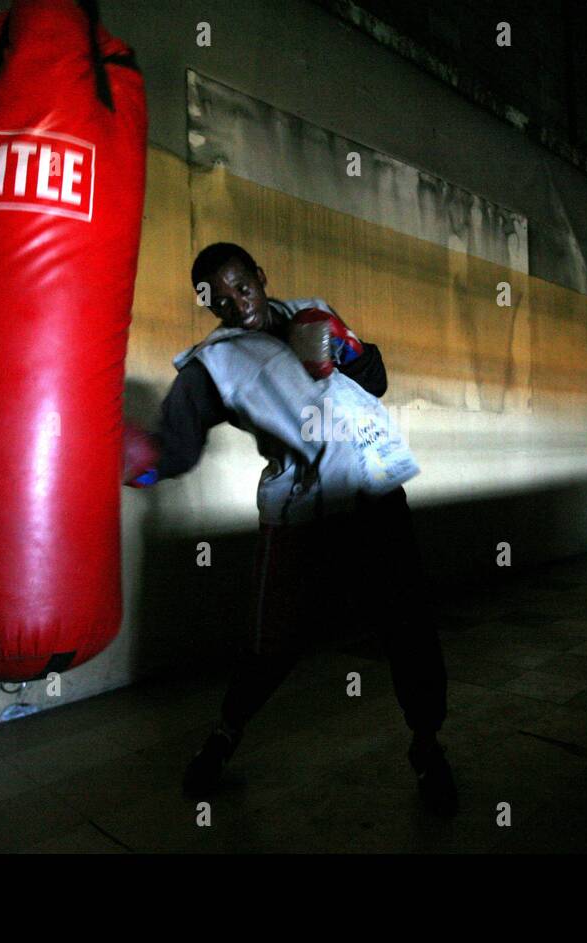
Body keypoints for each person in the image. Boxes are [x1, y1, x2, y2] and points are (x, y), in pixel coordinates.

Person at [123, 242, 456, 816]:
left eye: (243, 288)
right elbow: (175, 450)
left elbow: (374, 380)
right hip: (299, 510)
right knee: (272, 642)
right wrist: (134, 461)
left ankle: (427, 748)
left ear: (261, 276)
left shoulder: (311, 311)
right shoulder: (215, 362)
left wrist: (346, 346)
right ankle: (225, 735)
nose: (238, 307)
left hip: (374, 490)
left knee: (410, 627)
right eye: (221, 302)